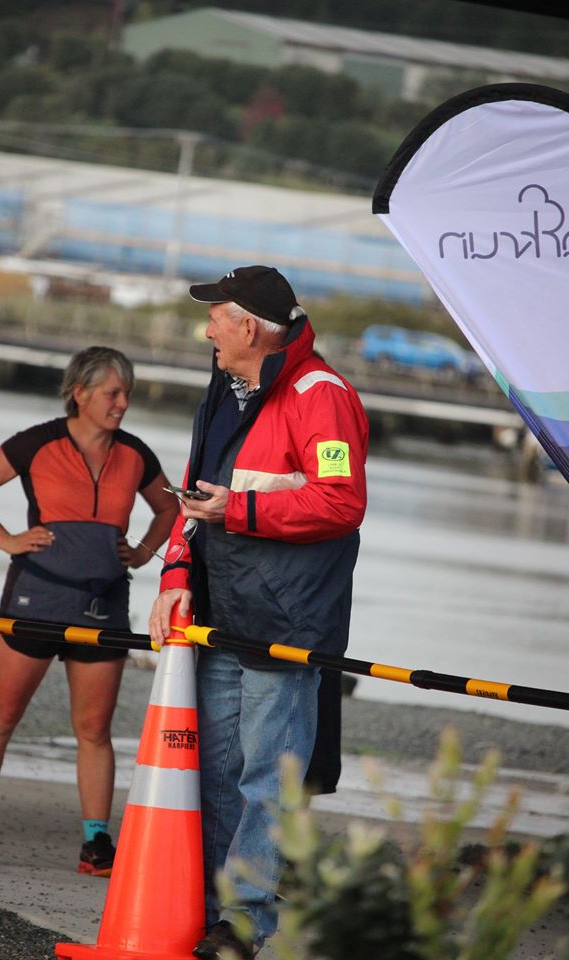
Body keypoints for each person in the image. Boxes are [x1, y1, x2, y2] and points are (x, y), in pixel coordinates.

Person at [148, 266, 368, 959]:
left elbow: (342, 502)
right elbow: (194, 498)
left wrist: (238, 510)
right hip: (219, 613)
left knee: (266, 778)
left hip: (284, 624)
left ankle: (242, 924)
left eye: (215, 317)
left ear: (248, 326)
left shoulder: (321, 394)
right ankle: (213, 913)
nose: (205, 330)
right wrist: (174, 575)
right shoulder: (224, 388)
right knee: (216, 774)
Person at [0, 345, 178, 876]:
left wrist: (144, 552)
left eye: (127, 394)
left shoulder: (136, 453)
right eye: (113, 393)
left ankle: (96, 843)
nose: (122, 403)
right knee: (2, 716)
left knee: (94, 730)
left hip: (102, 606)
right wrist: (6, 540)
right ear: (80, 393)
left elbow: (169, 505)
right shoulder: (38, 442)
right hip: (37, 597)